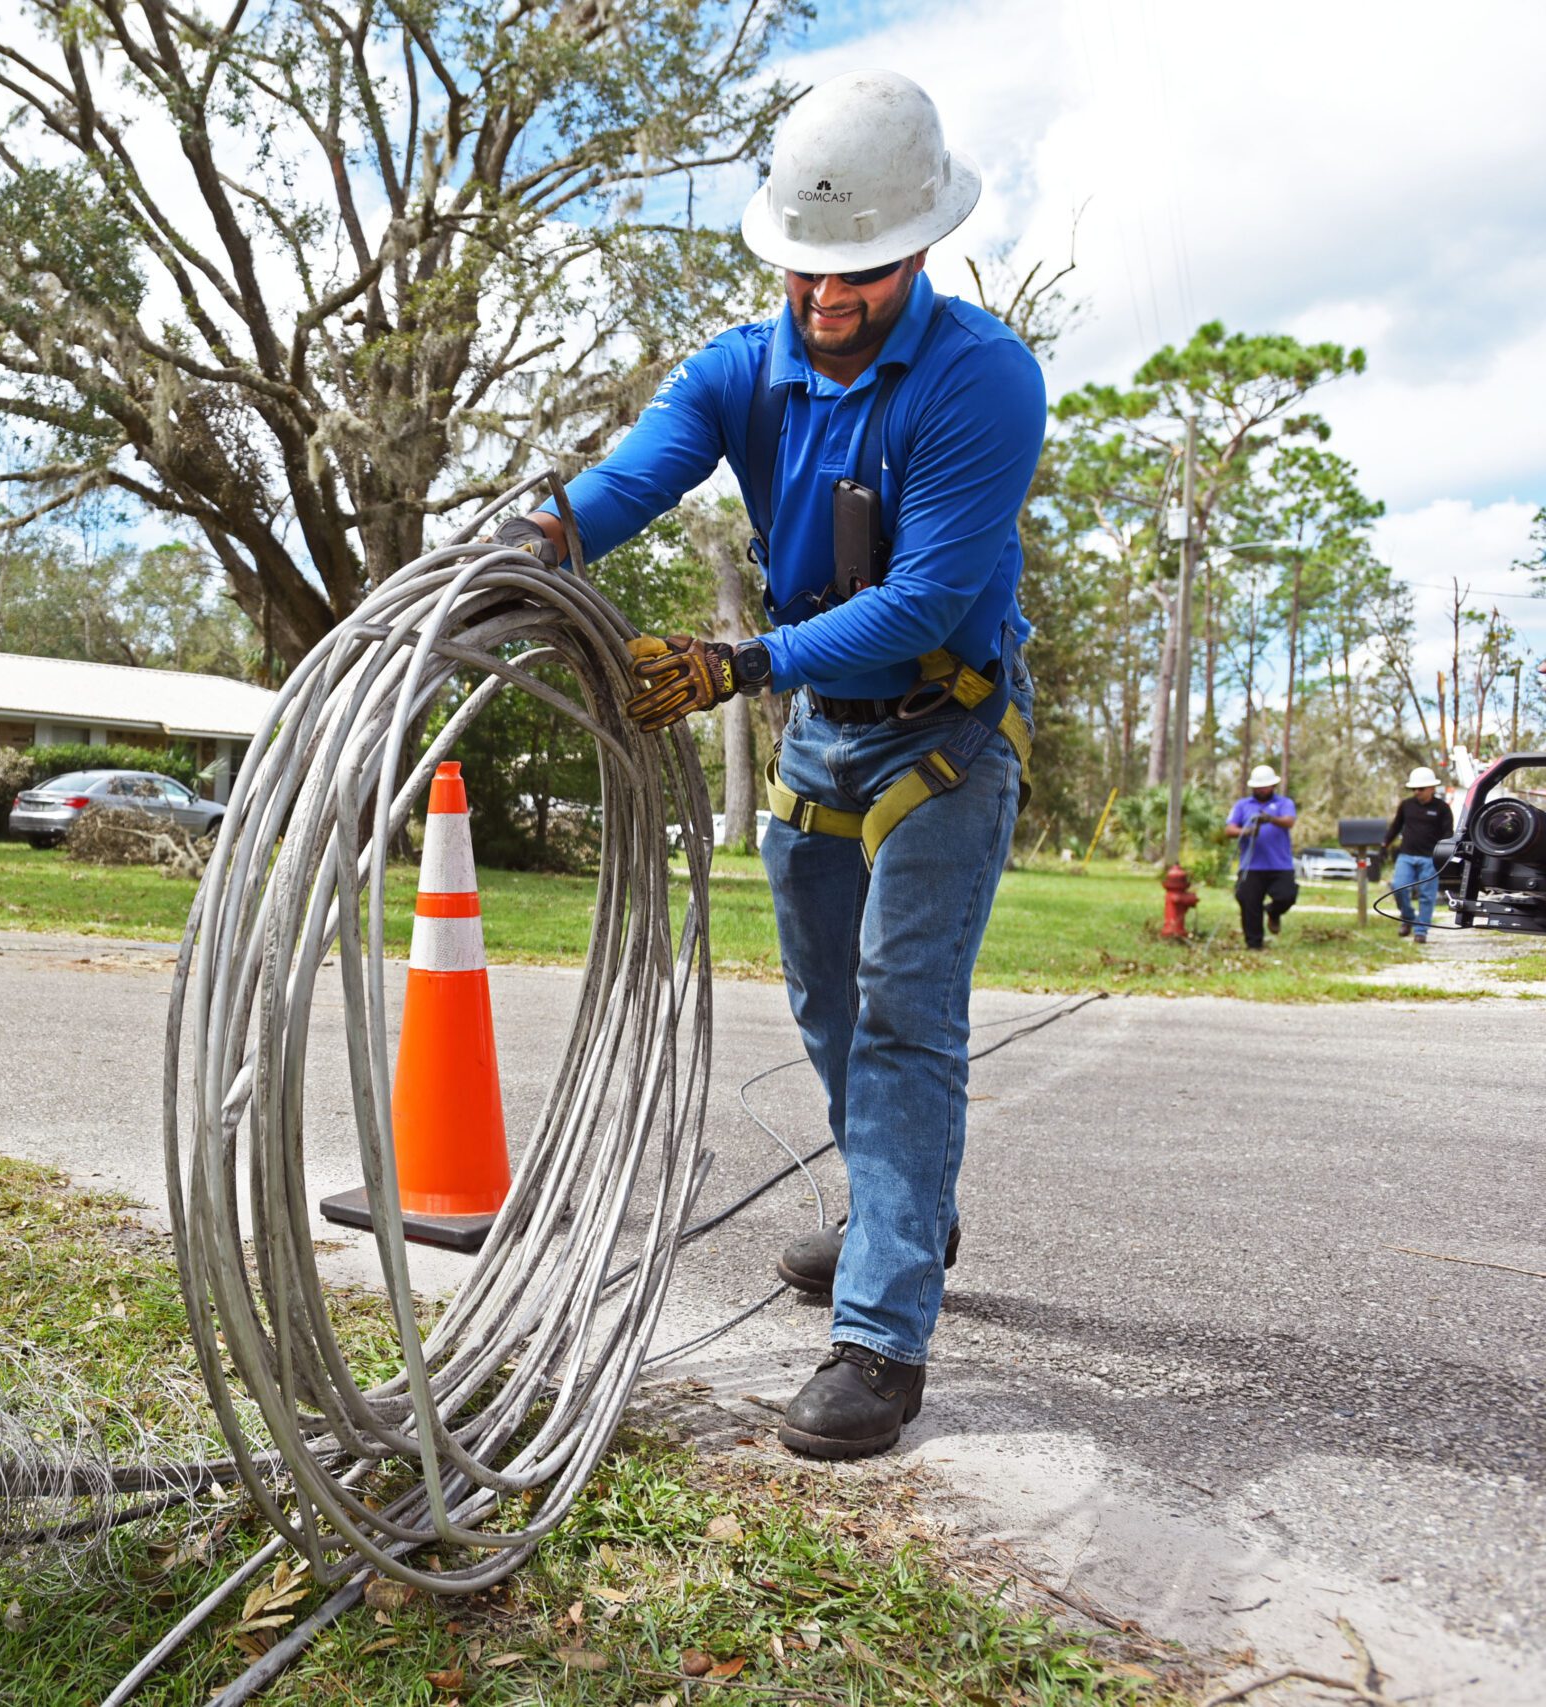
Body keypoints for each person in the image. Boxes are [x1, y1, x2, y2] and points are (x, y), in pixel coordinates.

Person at [487, 70, 1044, 1459]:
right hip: (822, 734)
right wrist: (538, 535)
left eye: (860, 272)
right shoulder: (743, 368)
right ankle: (903, 1205)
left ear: (921, 247)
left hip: (943, 732)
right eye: (807, 268)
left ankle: (881, 1337)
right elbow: (632, 478)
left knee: (905, 1014)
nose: (827, 297)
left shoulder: (981, 379)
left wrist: (742, 665)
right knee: (824, 1004)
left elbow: (923, 599)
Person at [1222, 765, 1298, 947]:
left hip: (1279, 864)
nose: (1261, 790)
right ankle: (1254, 944)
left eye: (1265, 787)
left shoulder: (1284, 803)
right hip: (1252, 865)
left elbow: (1289, 821)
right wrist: (1247, 831)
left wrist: (1270, 819)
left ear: (1273, 786)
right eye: (1258, 787)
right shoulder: (1242, 805)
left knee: (1286, 896)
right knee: (1248, 901)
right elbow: (1229, 829)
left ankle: (1273, 912)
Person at [1383, 765, 1452, 943]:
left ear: (1432, 788)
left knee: (1427, 896)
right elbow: (1396, 826)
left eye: (1420, 789)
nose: (1417, 792)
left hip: (1430, 858)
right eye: (1414, 789)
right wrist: (1385, 844)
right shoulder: (1406, 805)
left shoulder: (1442, 808)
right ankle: (1408, 918)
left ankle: (1421, 931)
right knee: (1398, 887)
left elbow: (1448, 834)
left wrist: (1444, 854)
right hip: (1406, 856)